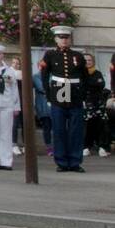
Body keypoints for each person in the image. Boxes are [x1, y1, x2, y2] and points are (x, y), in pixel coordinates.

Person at [40, 26, 86, 172]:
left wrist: (83, 95)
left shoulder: (78, 56)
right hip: (59, 91)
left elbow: (84, 77)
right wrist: (48, 96)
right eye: (61, 37)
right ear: (56, 39)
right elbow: (44, 76)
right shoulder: (50, 55)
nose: (64, 40)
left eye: (66, 37)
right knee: (59, 129)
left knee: (75, 130)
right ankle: (61, 162)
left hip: (75, 92)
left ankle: (74, 161)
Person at [82, 53, 110, 158]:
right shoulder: (79, 73)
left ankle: (102, 147)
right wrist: (91, 85)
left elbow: (101, 84)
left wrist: (89, 85)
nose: (87, 62)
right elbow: (81, 86)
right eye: (85, 60)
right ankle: (86, 147)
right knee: (87, 126)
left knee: (101, 125)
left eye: (89, 60)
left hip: (98, 103)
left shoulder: (97, 73)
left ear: (93, 62)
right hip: (85, 103)